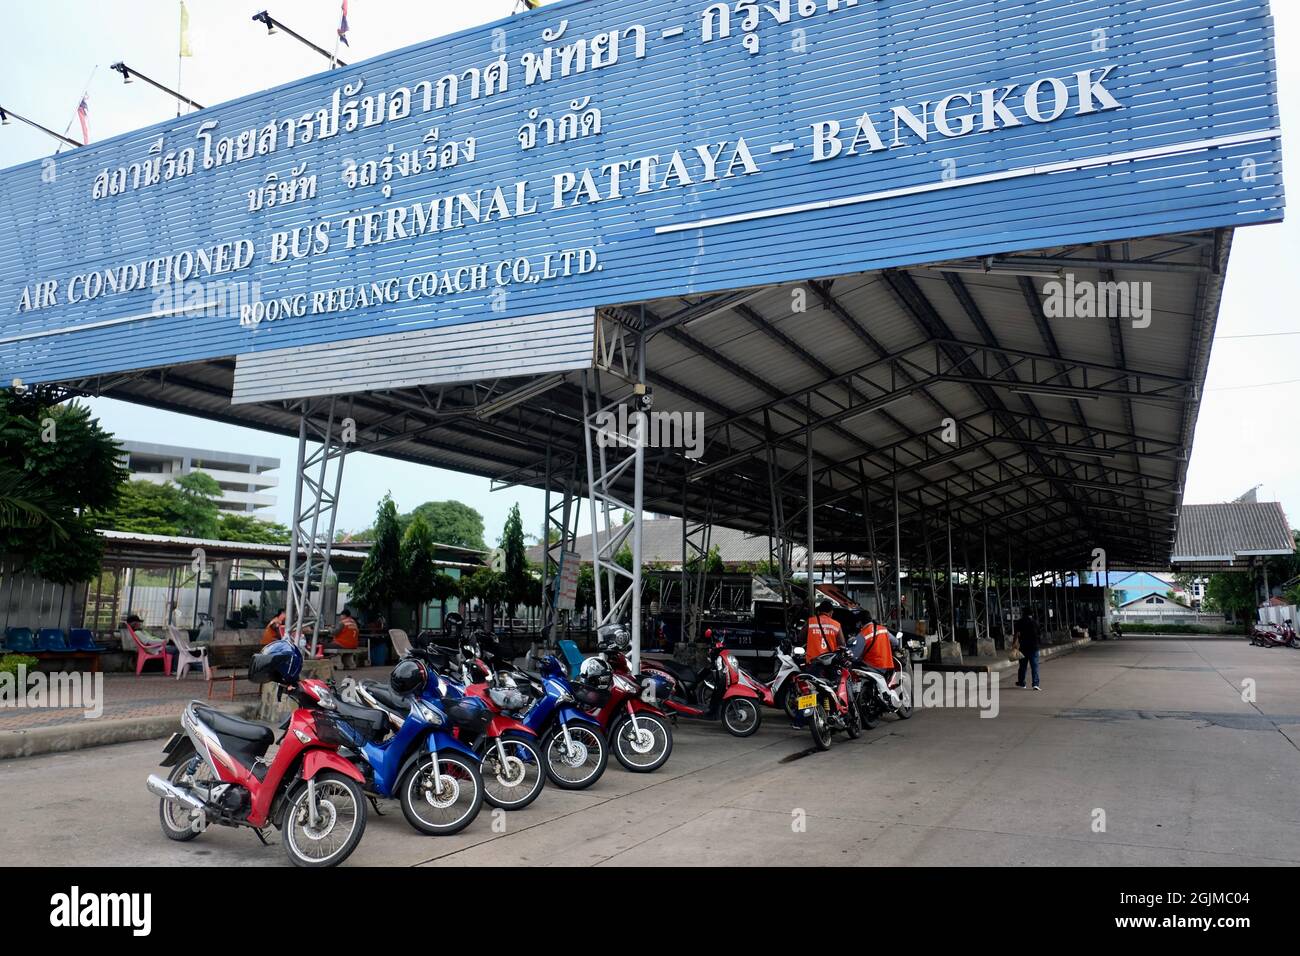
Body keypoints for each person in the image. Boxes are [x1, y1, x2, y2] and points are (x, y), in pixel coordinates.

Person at [1014, 609, 1041, 690]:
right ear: (1031, 614)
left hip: (1023, 647)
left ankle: (1022, 683)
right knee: (1034, 666)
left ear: (1023, 613)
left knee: (1022, 666)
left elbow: (1016, 634)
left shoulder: (1019, 622)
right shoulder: (1035, 622)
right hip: (1034, 647)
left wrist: (1014, 644)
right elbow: (1039, 634)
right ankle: (1035, 684)